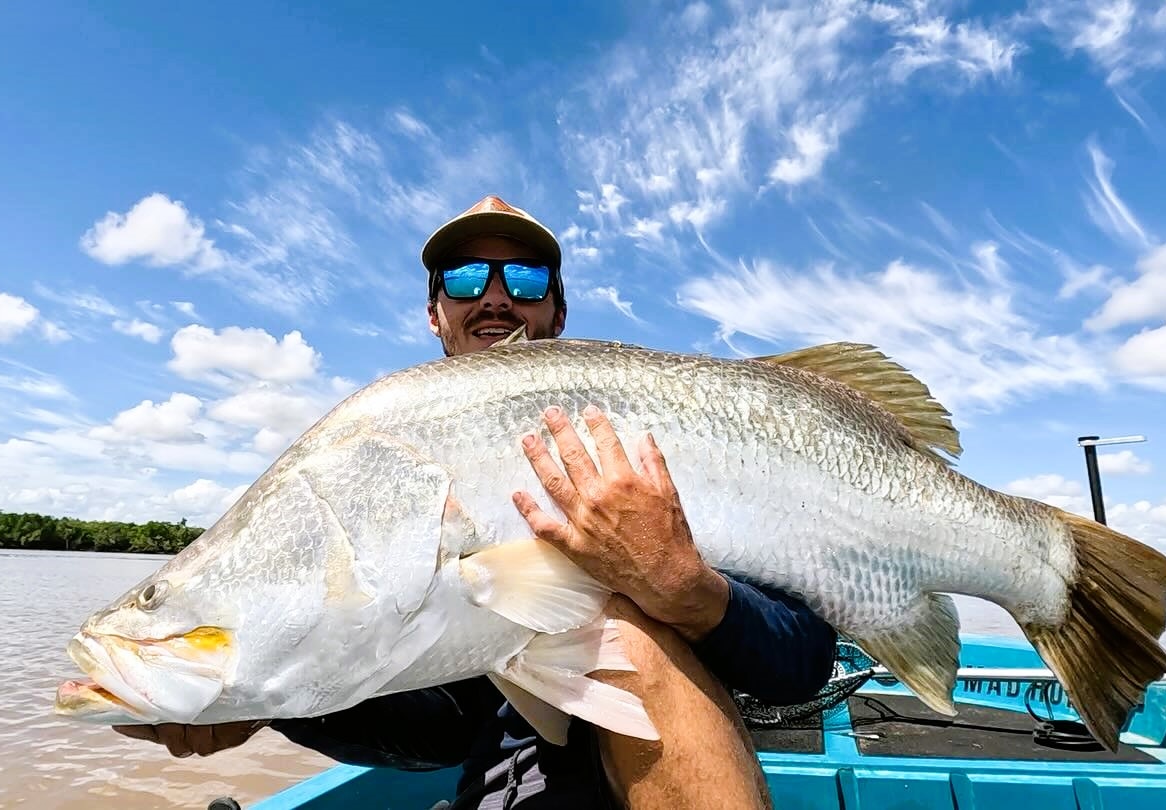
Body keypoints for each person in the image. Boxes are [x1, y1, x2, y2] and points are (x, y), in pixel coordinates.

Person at [116, 196, 838, 808]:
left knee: (626, 627)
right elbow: (445, 728)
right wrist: (270, 703)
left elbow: (801, 664)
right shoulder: (389, 457)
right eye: (463, 279)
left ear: (556, 310)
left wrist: (686, 585)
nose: (495, 297)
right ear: (436, 313)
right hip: (505, 789)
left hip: (685, 772)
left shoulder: (656, 435)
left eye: (523, 278)